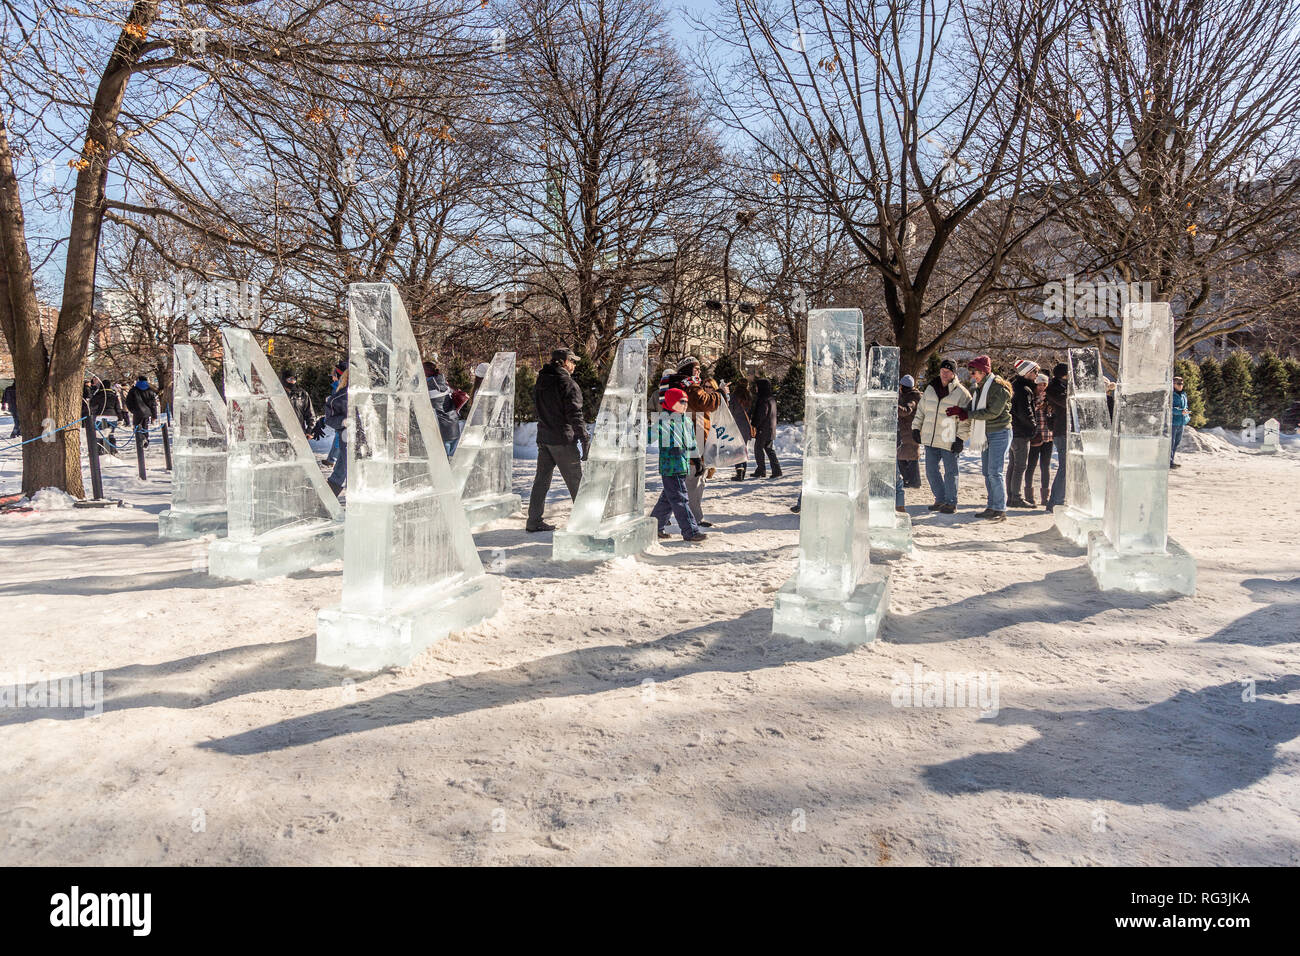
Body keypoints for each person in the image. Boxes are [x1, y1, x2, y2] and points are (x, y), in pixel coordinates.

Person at [527, 347, 586, 533]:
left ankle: (533, 520)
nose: (574, 365)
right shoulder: (566, 383)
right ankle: (585, 525)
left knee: (541, 482)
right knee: (577, 483)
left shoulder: (541, 380)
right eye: (572, 361)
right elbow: (575, 414)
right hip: (563, 440)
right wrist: (584, 437)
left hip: (544, 438)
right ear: (564, 362)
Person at [946, 355, 1012, 521]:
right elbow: (974, 407)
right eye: (971, 372)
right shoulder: (979, 388)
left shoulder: (997, 387)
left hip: (999, 432)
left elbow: (992, 412)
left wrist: (967, 414)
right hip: (985, 433)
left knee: (995, 472)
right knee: (987, 472)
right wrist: (960, 410)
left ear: (984, 371)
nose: (972, 375)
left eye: (974, 371)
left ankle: (1000, 508)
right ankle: (992, 506)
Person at [648, 387, 708, 543]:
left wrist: (697, 460)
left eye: (686, 402)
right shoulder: (663, 421)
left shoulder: (686, 420)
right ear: (671, 402)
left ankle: (653, 529)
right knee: (680, 499)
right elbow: (648, 436)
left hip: (682, 465)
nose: (685, 405)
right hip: (670, 467)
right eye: (681, 401)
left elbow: (692, 442)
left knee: (668, 499)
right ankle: (690, 531)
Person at [912, 359, 971, 514]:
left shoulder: (962, 393)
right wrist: (916, 428)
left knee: (951, 472)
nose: (945, 374)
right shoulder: (930, 389)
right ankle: (940, 499)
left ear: (954, 373)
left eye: (948, 371)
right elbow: (921, 411)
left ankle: (951, 502)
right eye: (943, 370)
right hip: (931, 437)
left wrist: (960, 438)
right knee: (931, 470)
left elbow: (966, 419)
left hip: (949, 438)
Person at [675, 357, 726, 527]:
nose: (699, 372)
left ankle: (692, 516)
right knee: (693, 479)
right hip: (693, 438)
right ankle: (692, 519)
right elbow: (704, 401)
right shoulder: (689, 386)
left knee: (697, 478)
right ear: (688, 369)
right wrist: (720, 395)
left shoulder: (689, 385)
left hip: (699, 437)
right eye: (695, 369)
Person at [1006, 359, 1039, 509]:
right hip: (1021, 432)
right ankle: (1016, 497)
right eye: (1035, 372)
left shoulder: (1015, 386)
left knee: (1013, 466)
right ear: (1027, 373)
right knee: (1020, 466)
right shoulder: (1024, 390)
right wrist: (1034, 428)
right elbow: (1026, 412)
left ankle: (1011, 496)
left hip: (1013, 431)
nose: (1037, 375)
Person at [423, 360, 463, 457]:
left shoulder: (428, 386)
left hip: (442, 430)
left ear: (425, 371)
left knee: (444, 462)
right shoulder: (444, 382)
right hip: (454, 425)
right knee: (452, 461)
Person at [1024, 373, 1053, 507]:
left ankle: (1045, 497)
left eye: (1044, 385)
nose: (1041, 387)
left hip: (1048, 436)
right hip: (1034, 436)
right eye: (1039, 384)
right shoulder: (1032, 397)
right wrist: (1039, 400)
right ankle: (1029, 496)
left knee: (1045, 466)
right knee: (1031, 466)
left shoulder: (1050, 398)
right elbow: (1030, 411)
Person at [1044, 362, 1069, 513]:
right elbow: (1067, 402)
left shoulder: (1061, 387)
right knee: (1064, 468)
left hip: (1064, 431)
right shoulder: (1054, 389)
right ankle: (1056, 502)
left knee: (1066, 468)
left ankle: (1057, 500)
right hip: (1062, 431)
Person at [896, 374, 922, 513]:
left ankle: (914, 481)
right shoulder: (906, 395)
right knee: (902, 456)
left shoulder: (913, 398)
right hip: (904, 432)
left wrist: (895, 406)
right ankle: (908, 480)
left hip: (910, 431)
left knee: (911, 457)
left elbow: (907, 410)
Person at [323, 365, 349, 496]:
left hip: (367, 436)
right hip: (347, 436)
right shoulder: (339, 396)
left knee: (343, 465)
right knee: (347, 464)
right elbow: (329, 418)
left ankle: (330, 493)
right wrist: (343, 421)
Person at [750, 377, 780, 480]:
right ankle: (777, 470)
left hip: (763, 429)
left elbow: (762, 414)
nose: (756, 389)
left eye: (757, 387)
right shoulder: (771, 398)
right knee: (769, 449)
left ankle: (761, 470)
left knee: (758, 449)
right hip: (770, 428)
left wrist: (754, 424)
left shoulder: (763, 400)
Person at [728, 378, 754, 480]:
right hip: (746, 425)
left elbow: (731, 410)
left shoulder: (734, 396)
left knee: (736, 449)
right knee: (743, 449)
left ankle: (739, 473)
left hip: (736, 425)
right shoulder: (750, 396)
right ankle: (743, 472)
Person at [125, 373, 160, 448]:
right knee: (145, 427)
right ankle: (145, 439)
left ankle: (140, 440)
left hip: (137, 412)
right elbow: (153, 404)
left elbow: (128, 402)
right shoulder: (150, 391)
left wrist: (132, 410)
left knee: (137, 427)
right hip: (147, 413)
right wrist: (154, 415)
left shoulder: (133, 390)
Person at [323, 361, 345, 464]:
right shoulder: (337, 387)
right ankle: (332, 459)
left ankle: (332, 459)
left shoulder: (341, 389)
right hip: (338, 420)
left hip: (343, 421)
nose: (332, 378)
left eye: (334, 375)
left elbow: (337, 405)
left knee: (339, 440)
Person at [282, 370, 316, 435]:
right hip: (281, 432)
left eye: (294, 379)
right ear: (284, 380)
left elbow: (310, 414)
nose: (292, 381)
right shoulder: (278, 394)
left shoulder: (302, 394)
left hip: (299, 432)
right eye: (290, 379)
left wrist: (310, 430)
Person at [1171, 375, 1190, 468]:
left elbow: (1185, 406)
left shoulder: (1183, 394)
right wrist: (1180, 411)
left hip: (1181, 422)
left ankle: (1172, 460)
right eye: (1179, 383)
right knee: (1171, 443)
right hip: (1173, 423)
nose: (1181, 385)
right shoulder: (1170, 394)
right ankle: (1169, 462)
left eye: (1182, 383)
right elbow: (1169, 408)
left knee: (1176, 443)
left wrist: (1186, 413)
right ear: (1174, 384)